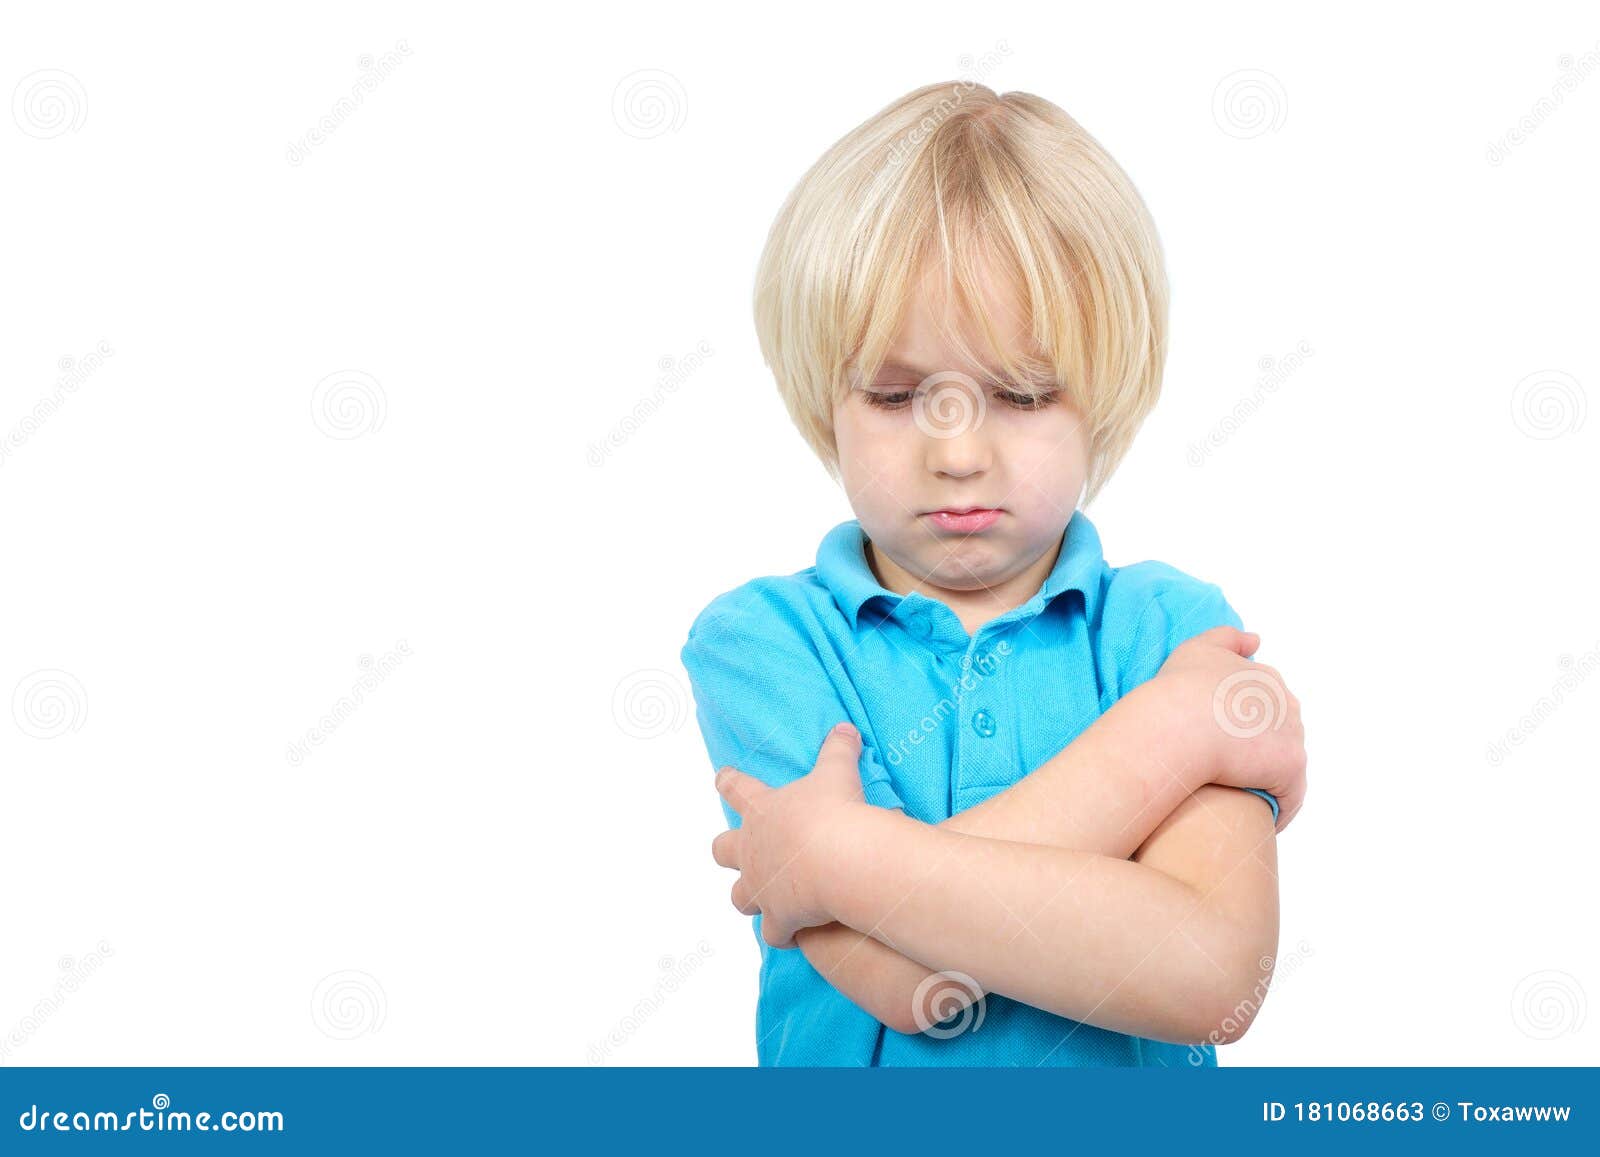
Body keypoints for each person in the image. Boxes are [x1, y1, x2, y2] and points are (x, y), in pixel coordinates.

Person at [680, 80, 1308, 1066]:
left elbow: (1210, 977)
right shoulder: (762, 640)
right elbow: (906, 980)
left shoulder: (1173, 628)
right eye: (896, 394)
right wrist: (1166, 734)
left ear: (1099, 399)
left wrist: (843, 858)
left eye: (1018, 392)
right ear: (823, 401)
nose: (958, 451)